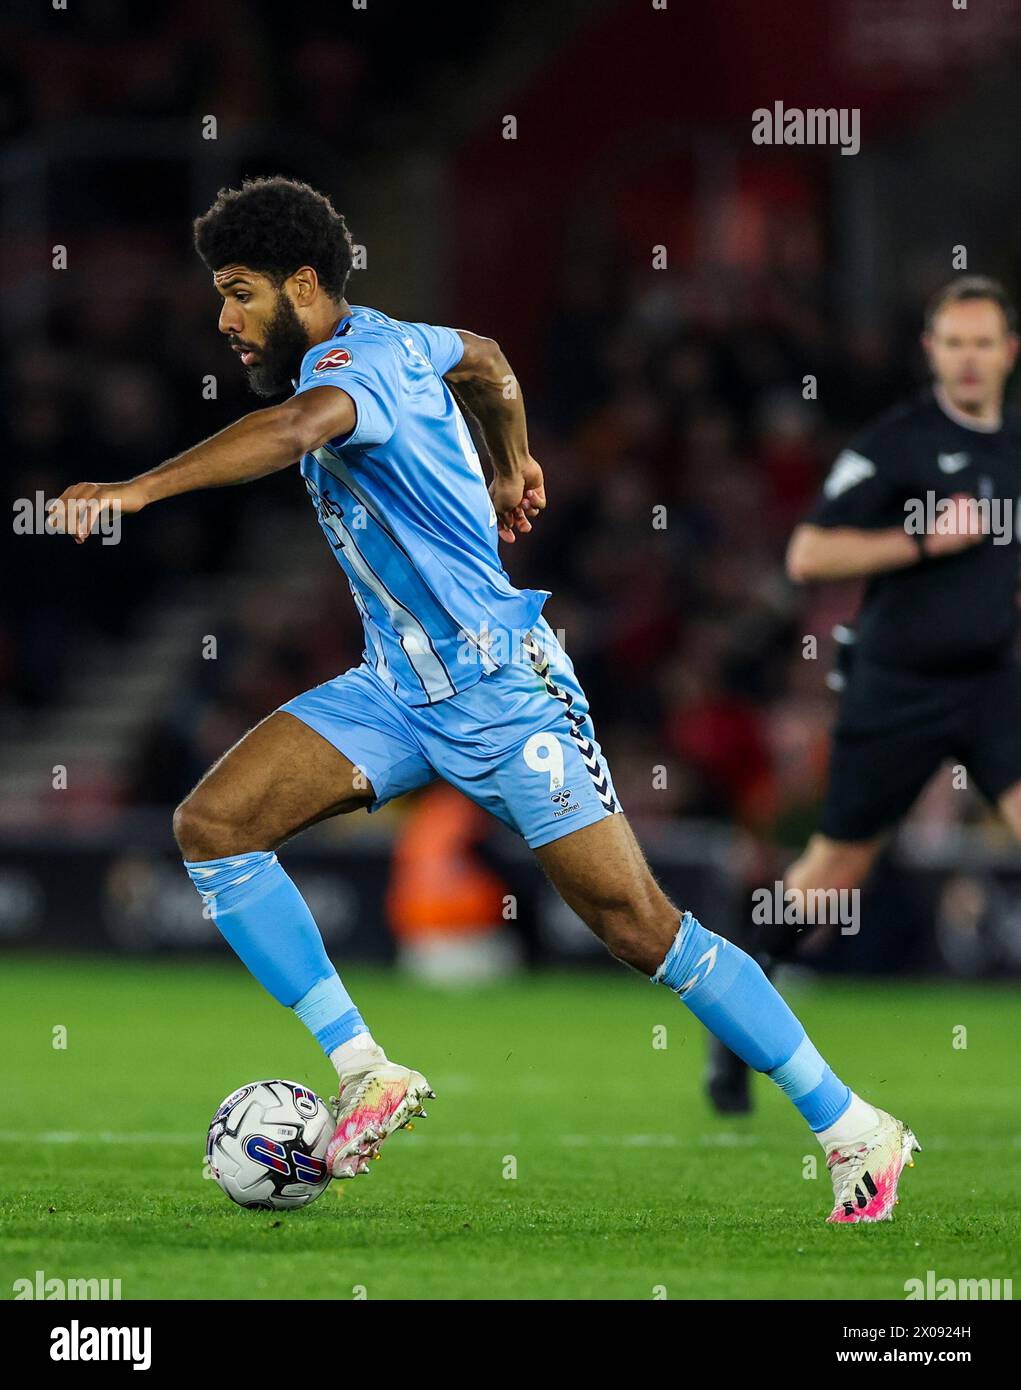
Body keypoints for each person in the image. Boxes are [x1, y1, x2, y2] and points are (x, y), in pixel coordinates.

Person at [51, 176, 918, 1221]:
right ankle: (366, 1067)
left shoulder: (350, 369)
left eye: (239, 294)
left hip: (506, 691)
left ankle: (852, 1125)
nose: (224, 320)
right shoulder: (401, 336)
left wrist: (134, 490)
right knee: (215, 823)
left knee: (639, 926)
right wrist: (511, 462)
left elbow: (294, 431)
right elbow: (490, 360)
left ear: (305, 284)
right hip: (396, 688)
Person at [707, 276, 1021, 1114]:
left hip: (992, 681)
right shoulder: (898, 442)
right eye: (952, 342)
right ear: (931, 351)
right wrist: (924, 539)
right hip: (897, 682)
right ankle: (734, 1018)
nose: (966, 357)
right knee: (832, 871)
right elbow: (807, 555)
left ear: (1007, 352)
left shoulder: (1016, 448)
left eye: (981, 341)